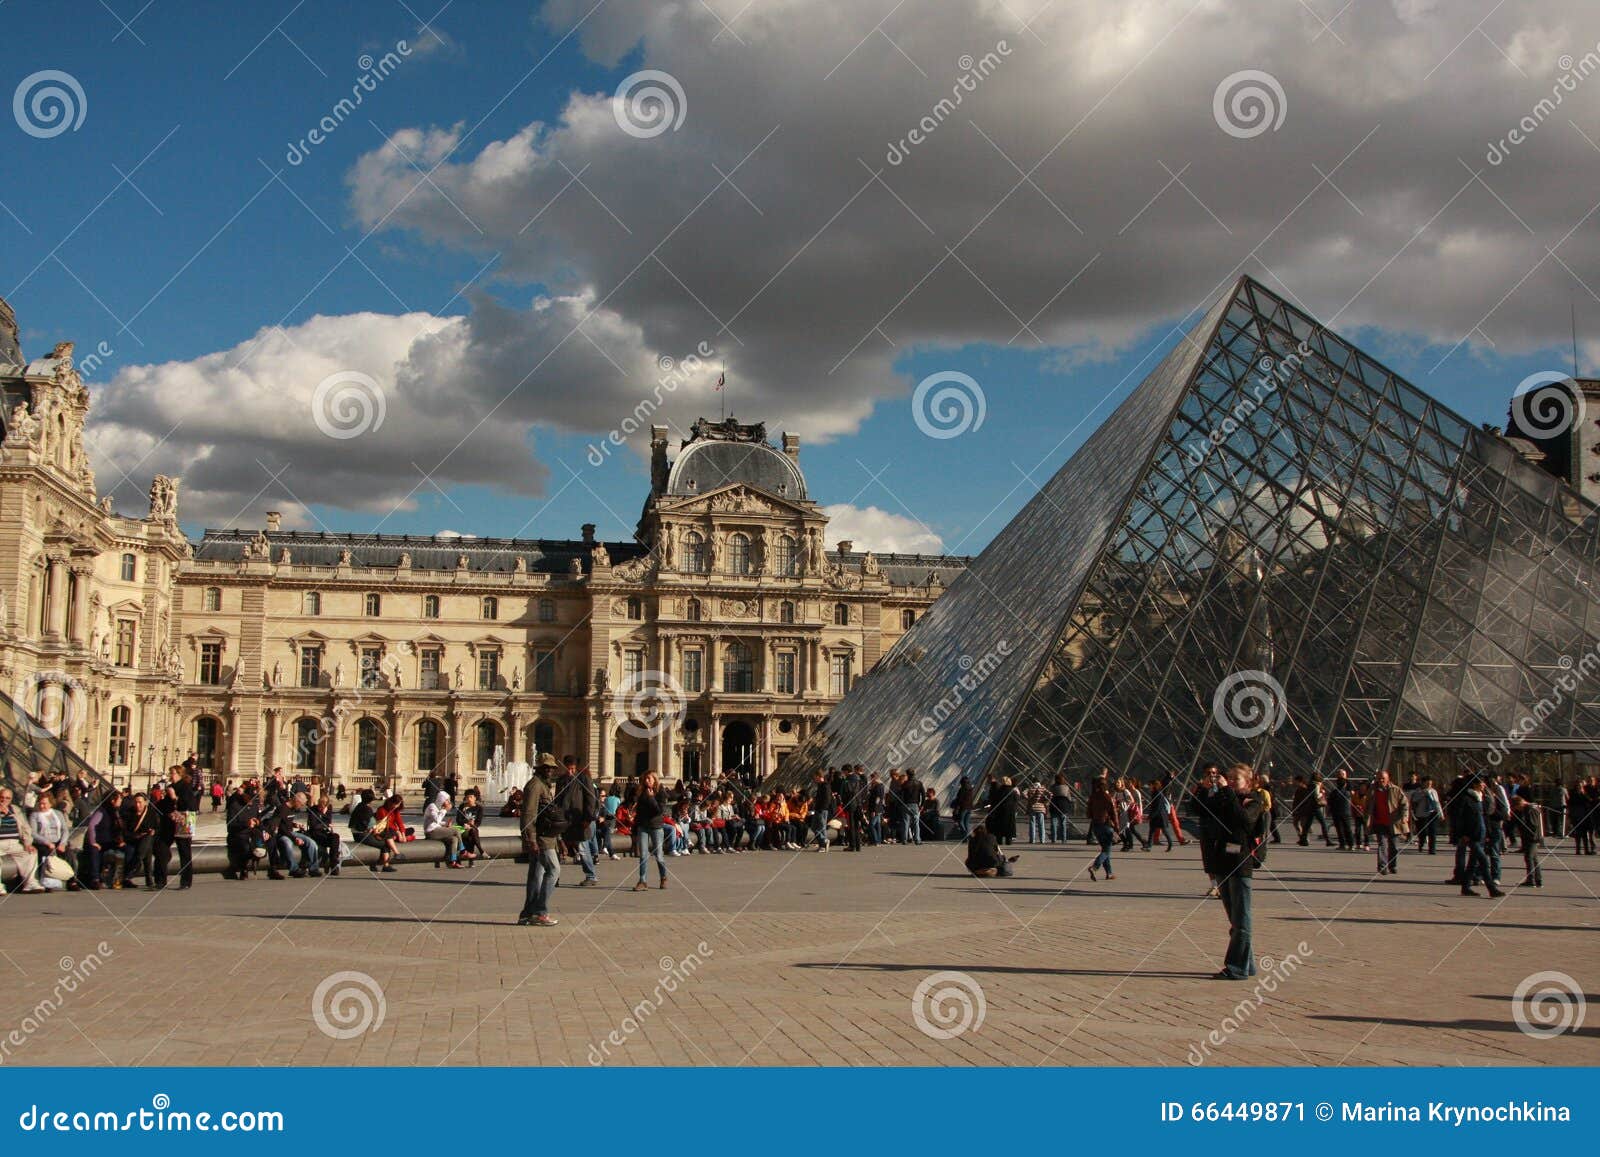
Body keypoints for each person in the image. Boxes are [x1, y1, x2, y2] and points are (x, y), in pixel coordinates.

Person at [1210, 764, 1267, 980]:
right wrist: (1209, 789)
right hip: (1223, 863)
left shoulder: (1254, 801)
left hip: (1241, 864)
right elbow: (1203, 811)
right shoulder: (1228, 798)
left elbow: (1243, 820)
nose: (1230, 782)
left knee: (1241, 918)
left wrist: (1226, 792)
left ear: (1249, 782)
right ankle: (1247, 964)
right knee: (1235, 918)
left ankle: (1236, 967)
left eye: (1236, 779)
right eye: (1229, 778)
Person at [517, 753, 565, 926]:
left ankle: (527, 914)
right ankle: (540, 911)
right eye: (547, 767)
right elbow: (528, 815)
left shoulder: (543, 785)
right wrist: (531, 840)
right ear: (540, 768)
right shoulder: (535, 786)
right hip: (541, 839)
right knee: (554, 870)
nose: (550, 771)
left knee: (536, 876)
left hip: (546, 838)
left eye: (552, 768)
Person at [1364, 769, 1410, 876]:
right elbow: (1367, 806)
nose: (1381, 780)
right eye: (1379, 778)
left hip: (1394, 823)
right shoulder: (1372, 790)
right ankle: (1382, 866)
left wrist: (1404, 817)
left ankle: (1392, 865)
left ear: (1388, 779)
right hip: (1379, 822)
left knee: (1394, 846)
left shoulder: (1396, 790)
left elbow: (1405, 804)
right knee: (1382, 845)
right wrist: (1367, 818)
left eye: (1383, 778)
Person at [29, 791, 78, 891]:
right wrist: (46, 842)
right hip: (43, 843)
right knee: (47, 854)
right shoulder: (34, 815)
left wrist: (63, 843)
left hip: (58, 841)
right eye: (40, 803)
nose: (42, 806)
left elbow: (65, 830)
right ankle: (48, 882)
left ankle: (72, 881)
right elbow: (33, 833)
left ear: (50, 803)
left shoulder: (58, 813)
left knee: (70, 855)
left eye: (45, 803)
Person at [0, 787, 44, 894]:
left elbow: (26, 828)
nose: (4, 800)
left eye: (7, 798)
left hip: (15, 842)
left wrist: (27, 843)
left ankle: (30, 883)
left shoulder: (15, 809)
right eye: (1, 798)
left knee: (30, 853)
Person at [632, 770, 670, 891]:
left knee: (659, 856)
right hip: (643, 826)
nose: (646, 780)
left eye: (649, 778)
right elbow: (639, 812)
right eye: (645, 778)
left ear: (655, 780)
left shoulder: (661, 793)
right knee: (643, 855)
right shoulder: (641, 792)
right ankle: (642, 881)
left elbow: (659, 811)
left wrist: (652, 798)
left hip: (656, 826)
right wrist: (635, 828)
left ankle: (663, 877)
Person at [349, 789, 399, 872]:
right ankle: (385, 865)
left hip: (357, 833)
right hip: (362, 835)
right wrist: (374, 830)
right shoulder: (367, 809)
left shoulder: (359, 806)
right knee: (385, 845)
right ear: (371, 800)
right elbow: (368, 826)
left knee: (386, 837)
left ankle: (378, 864)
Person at [1085, 777, 1117, 882]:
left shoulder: (1092, 797)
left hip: (1096, 826)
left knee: (1105, 849)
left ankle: (1109, 873)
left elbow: (1088, 814)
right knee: (1106, 851)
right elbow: (1113, 812)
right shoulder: (1107, 797)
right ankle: (1094, 867)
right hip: (1106, 825)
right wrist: (1116, 826)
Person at [424, 791, 465, 868]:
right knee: (456, 831)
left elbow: (437, 822)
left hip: (436, 830)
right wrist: (445, 810)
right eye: (447, 800)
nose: (449, 802)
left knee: (454, 839)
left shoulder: (439, 807)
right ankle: (463, 851)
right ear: (441, 799)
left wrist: (445, 824)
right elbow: (436, 820)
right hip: (431, 832)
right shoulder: (432, 806)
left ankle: (452, 861)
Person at [1511, 792, 1544, 888]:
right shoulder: (1530, 808)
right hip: (1533, 836)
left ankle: (1531, 880)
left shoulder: (1529, 809)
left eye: (1517, 807)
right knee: (1534, 858)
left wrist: (1523, 826)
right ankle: (1538, 879)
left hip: (1531, 837)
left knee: (1529, 858)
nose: (1518, 810)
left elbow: (1532, 825)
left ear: (1520, 803)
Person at [1409, 776, 1441, 854]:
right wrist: (1423, 794)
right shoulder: (1417, 791)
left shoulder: (1433, 791)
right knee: (1423, 831)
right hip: (1421, 814)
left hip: (1432, 813)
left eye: (1430, 784)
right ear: (1423, 783)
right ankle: (1421, 843)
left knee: (1432, 832)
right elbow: (1414, 800)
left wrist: (1440, 813)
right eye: (1427, 784)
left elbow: (1437, 802)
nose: (1429, 786)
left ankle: (1432, 849)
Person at [986, 776, 1019, 846]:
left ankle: (999, 840)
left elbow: (995, 801)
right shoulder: (1013, 791)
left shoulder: (999, 790)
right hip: (1010, 811)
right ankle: (1008, 840)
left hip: (1000, 810)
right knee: (1009, 826)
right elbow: (1016, 800)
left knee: (999, 826)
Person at [1327, 769, 1355, 850]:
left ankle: (1345, 844)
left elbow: (1330, 802)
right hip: (1344, 811)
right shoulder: (1346, 791)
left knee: (1342, 829)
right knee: (1345, 829)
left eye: (1342, 774)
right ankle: (1349, 844)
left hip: (1340, 811)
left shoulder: (1337, 791)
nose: (1340, 775)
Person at [811, 771, 833, 852]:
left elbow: (827, 799)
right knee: (814, 827)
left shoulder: (825, 786)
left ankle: (823, 845)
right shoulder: (820, 785)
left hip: (822, 810)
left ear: (819, 776)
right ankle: (823, 841)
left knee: (821, 827)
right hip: (818, 809)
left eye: (815, 777)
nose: (814, 779)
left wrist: (822, 808)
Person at [1048, 772, 1073, 844]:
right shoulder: (1066, 787)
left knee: (1054, 824)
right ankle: (1063, 839)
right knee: (1063, 824)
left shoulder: (1052, 787)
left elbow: (1050, 796)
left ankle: (1053, 839)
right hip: (1063, 806)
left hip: (1054, 806)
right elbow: (1069, 798)